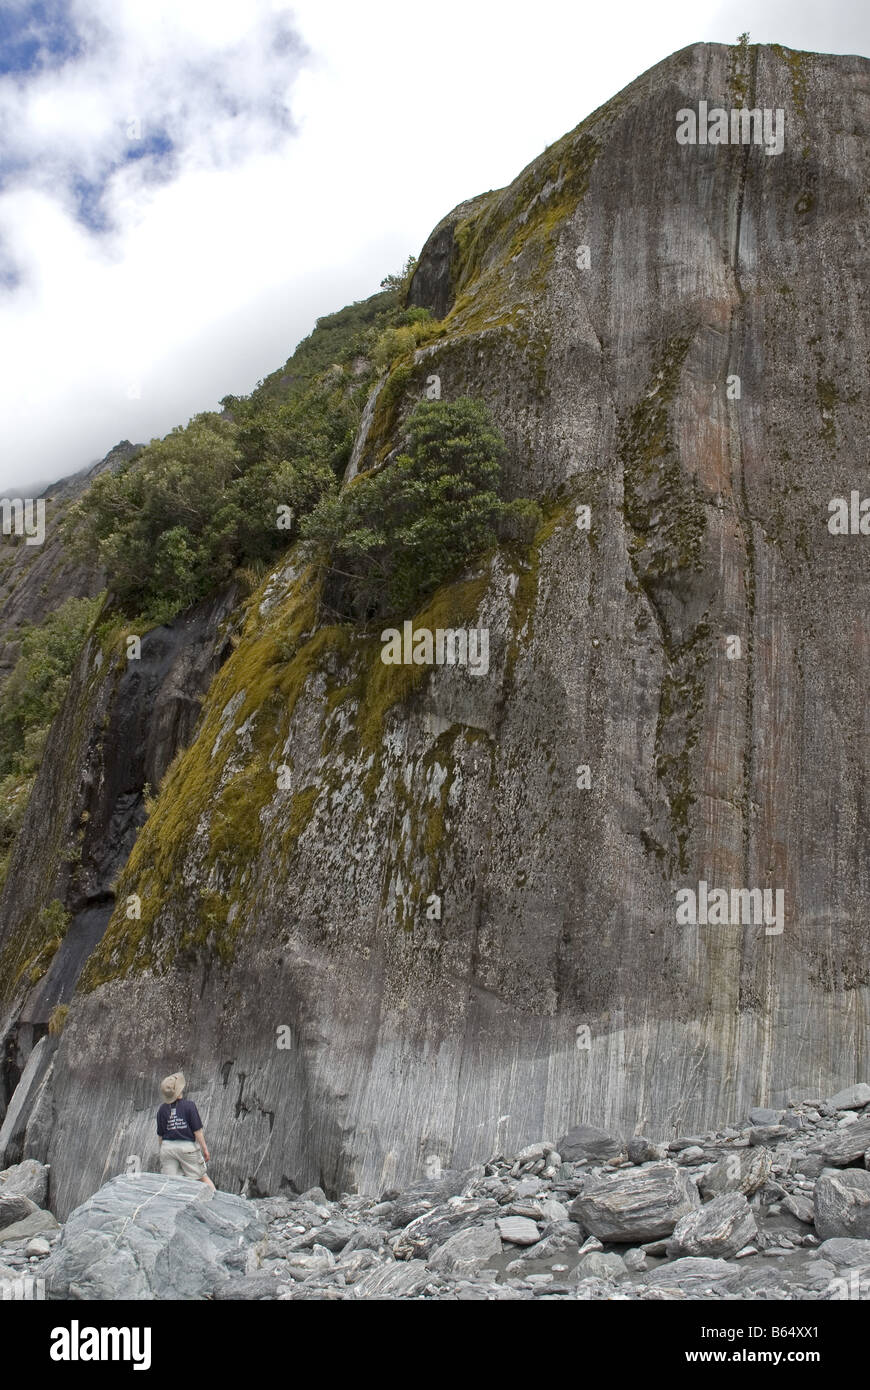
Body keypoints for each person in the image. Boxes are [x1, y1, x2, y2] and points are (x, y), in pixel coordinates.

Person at [156, 1072, 215, 1190]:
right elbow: (197, 1131)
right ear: (179, 1090)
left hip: (167, 1148)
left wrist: (163, 1151)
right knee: (202, 1177)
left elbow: (160, 1135)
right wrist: (205, 1149)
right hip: (187, 1148)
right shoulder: (189, 1106)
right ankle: (217, 1202)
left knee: (170, 1183)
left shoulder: (162, 1109)